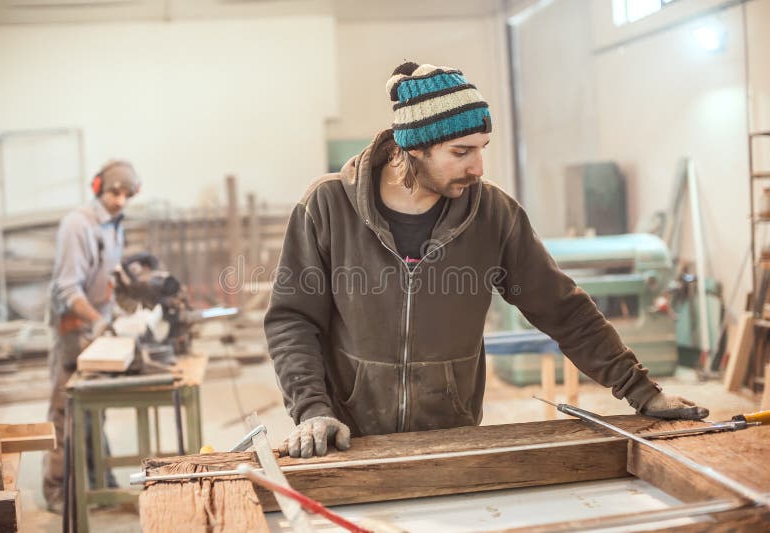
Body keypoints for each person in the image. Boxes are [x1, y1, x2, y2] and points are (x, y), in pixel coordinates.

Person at [264, 61, 708, 459]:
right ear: (413, 148)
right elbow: (292, 320)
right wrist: (312, 411)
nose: (478, 167)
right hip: (347, 439)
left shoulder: (493, 214)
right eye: (462, 152)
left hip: (451, 437)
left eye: (482, 148)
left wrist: (643, 393)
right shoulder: (327, 206)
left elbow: (564, 311)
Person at [42, 160, 140, 511]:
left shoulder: (113, 225)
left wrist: (121, 306)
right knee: (65, 411)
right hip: (73, 327)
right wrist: (98, 320)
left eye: (127, 194)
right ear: (98, 186)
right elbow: (67, 287)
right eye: (115, 192)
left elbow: (108, 276)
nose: (120, 201)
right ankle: (56, 492)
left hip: (96, 324)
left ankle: (100, 481)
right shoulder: (76, 225)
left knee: (94, 409)